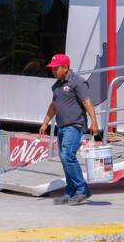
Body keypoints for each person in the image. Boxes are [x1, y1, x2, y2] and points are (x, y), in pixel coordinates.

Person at [38, 53, 100, 206]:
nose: (53, 71)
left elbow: (87, 102)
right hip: (62, 127)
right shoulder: (57, 85)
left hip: (75, 126)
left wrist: (94, 122)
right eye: (52, 68)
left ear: (65, 68)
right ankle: (71, 192)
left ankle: (82, 189)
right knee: (64, 159)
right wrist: (45, 122)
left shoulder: (77, 82)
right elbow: (54, 105)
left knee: (68, 156)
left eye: (55, 68)